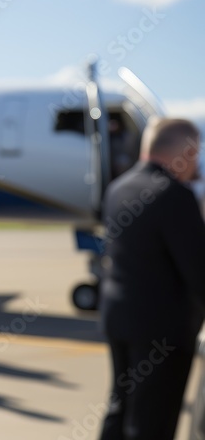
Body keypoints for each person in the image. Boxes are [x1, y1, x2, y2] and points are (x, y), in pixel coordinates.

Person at [97, 118, 205, 440]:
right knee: (153, 421)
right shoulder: (174, 195)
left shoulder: (118, 189)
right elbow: (199, 271)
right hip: (162, 332)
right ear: (184, 154)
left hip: (118, 319)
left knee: (120, 407)